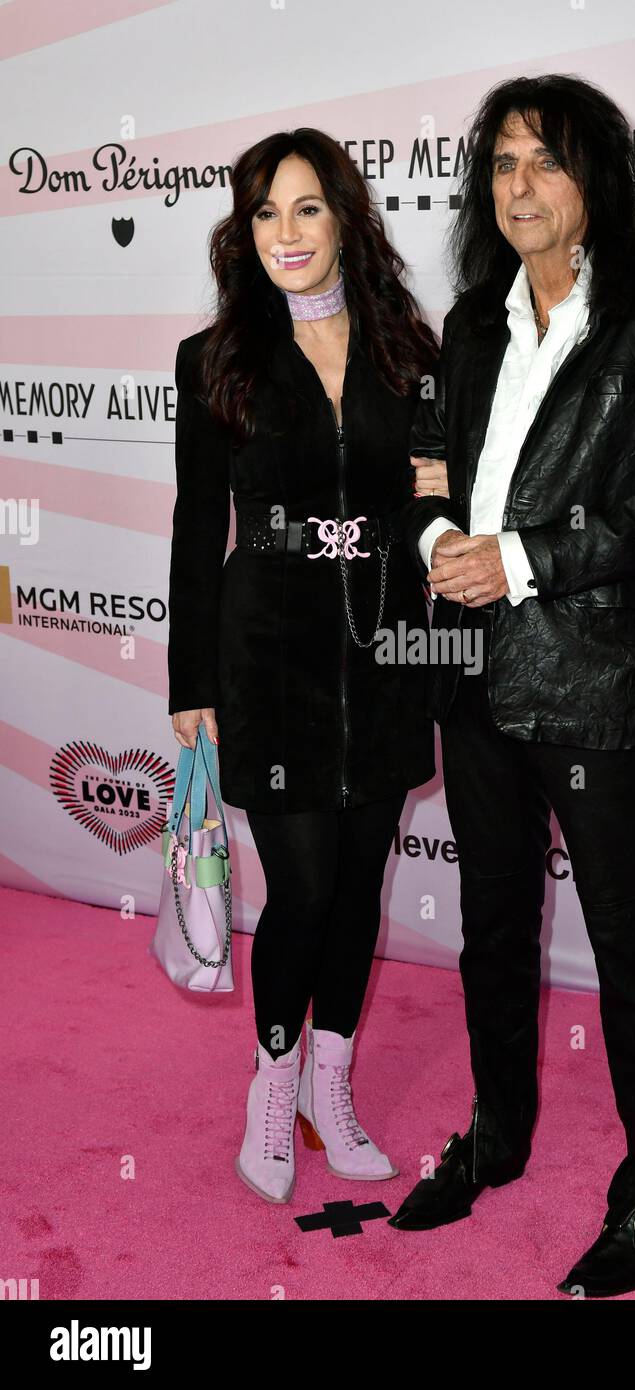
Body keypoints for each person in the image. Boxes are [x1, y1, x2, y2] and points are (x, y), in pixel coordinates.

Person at [388, 74, 635, 1298]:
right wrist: (440, 550)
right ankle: (497, 1134)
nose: (519, 187)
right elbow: (429, 464)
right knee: (490, 924)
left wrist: (527, 559)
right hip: (475, 673)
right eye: (502, 165)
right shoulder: (473, 321)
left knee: (628, 938)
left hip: (594, 681)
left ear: (598, 183)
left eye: (545, 161)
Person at [166, 128, 447, 1205]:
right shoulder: (216, 359)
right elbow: (200, 530)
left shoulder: (406, 352)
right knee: (307, 888)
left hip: (383, 648)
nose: (285, 233)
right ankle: (271, 1082)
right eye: (264, 213)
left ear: (345, 218)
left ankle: (334, 1085)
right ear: (245, 231)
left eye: (306, 209)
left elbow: (433, 502)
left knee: (361, 885)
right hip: (269, 656)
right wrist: (192, 683)